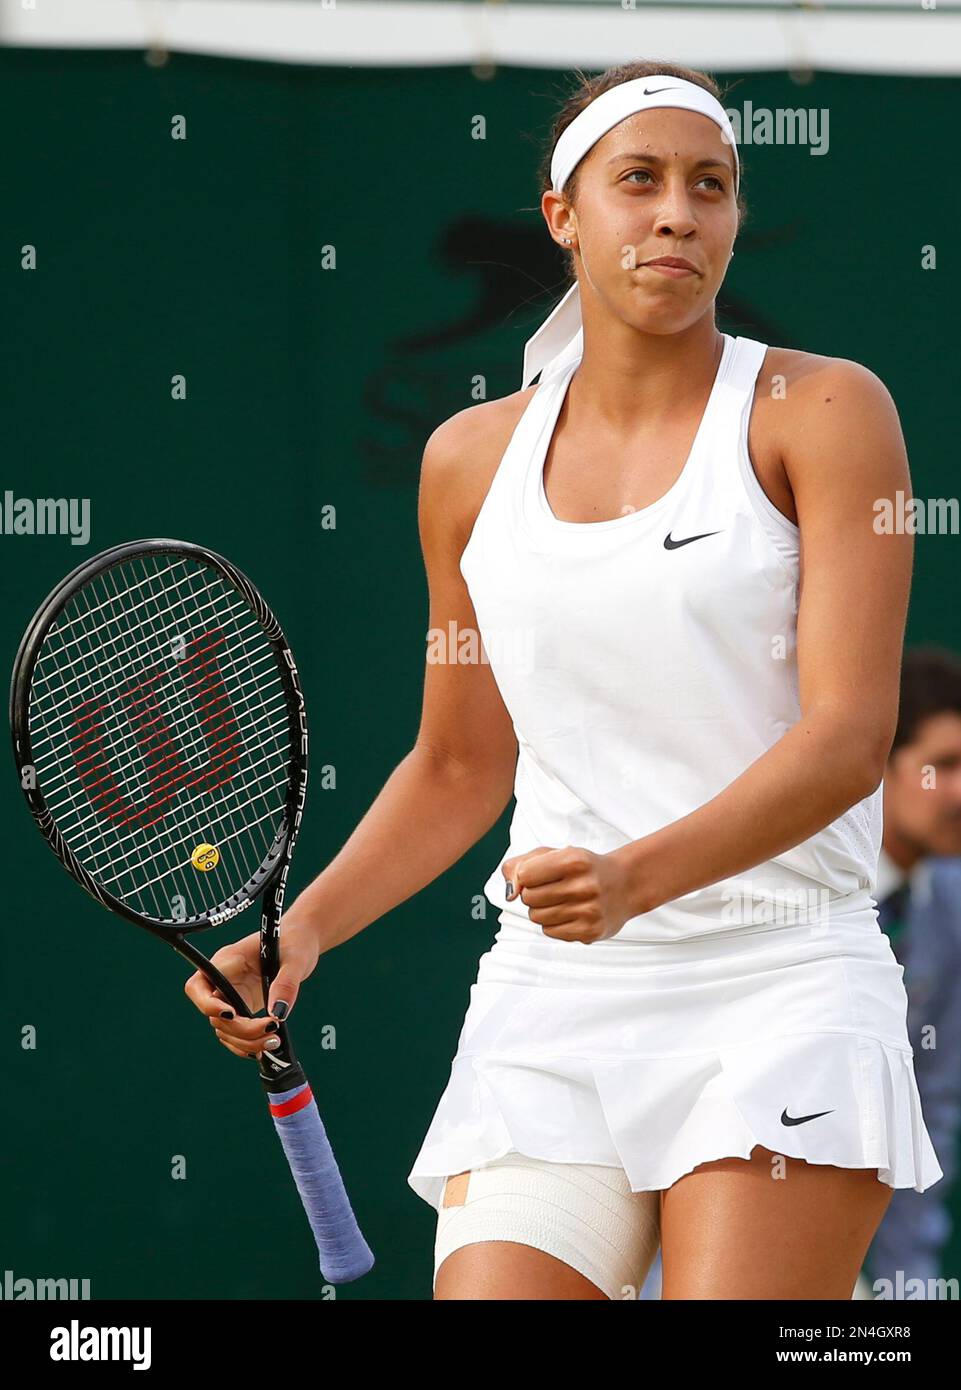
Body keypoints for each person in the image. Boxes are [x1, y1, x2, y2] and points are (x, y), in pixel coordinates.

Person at [184, 59, 943, 1300]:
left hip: (784, 981)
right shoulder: (466, 463)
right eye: (635, 181)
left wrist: (632, 876)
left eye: (711, 186)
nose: (676, 215)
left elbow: (850, 734)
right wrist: (297, 932)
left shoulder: (822, 410)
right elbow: (459, 761)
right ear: (563, 215)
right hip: (554, 999)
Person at [860, 646, 961, 1295]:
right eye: (942, 766)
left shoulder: (949, 907)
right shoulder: (783, 891)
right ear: (878, 766)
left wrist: (907, 1292)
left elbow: (928, 1114)